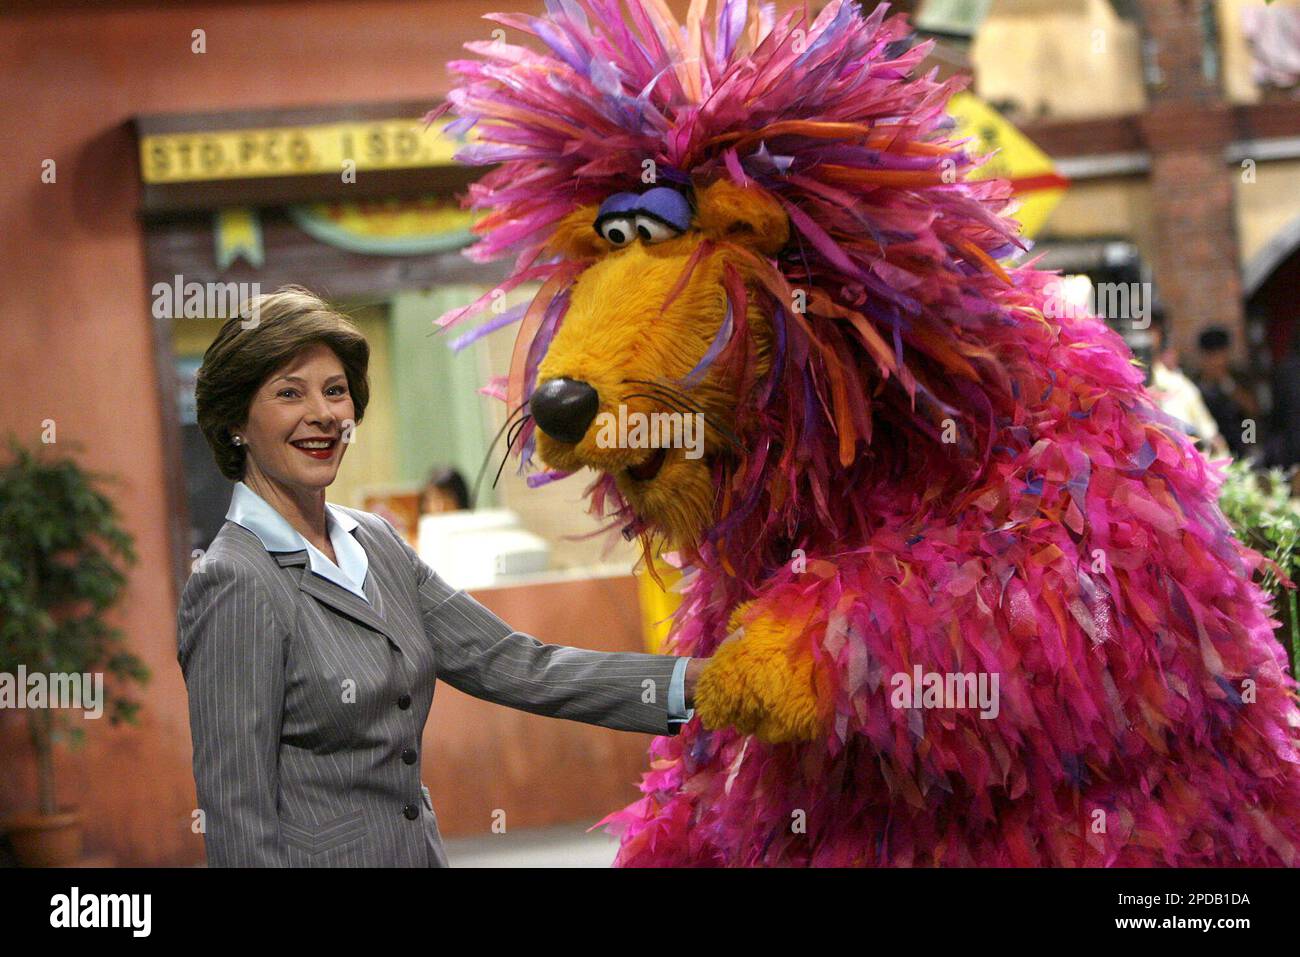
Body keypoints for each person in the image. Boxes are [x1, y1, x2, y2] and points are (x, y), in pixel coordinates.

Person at [176, 286, 706, 867]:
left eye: (335, 391)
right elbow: (236, 816)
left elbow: (515, 664)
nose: (324, 414)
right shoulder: (233, 580)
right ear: (235, 424)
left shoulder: (374, 541)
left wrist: (696, 683)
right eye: (288, 393)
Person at [1145, 310, 1229, 458]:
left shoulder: (1181, 387)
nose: (1141, 335)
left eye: (1148, 328)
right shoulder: (1108, 389)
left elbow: (1213, 440)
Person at [1195, 325, 1260, 459]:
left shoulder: (1239, 377)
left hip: (1242, 444)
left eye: (1220, 355)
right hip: (1211, 450)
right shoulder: (1195, 384)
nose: (1216, 362)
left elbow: (1253, 409)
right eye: (1212, 356)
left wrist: (1227, 385)